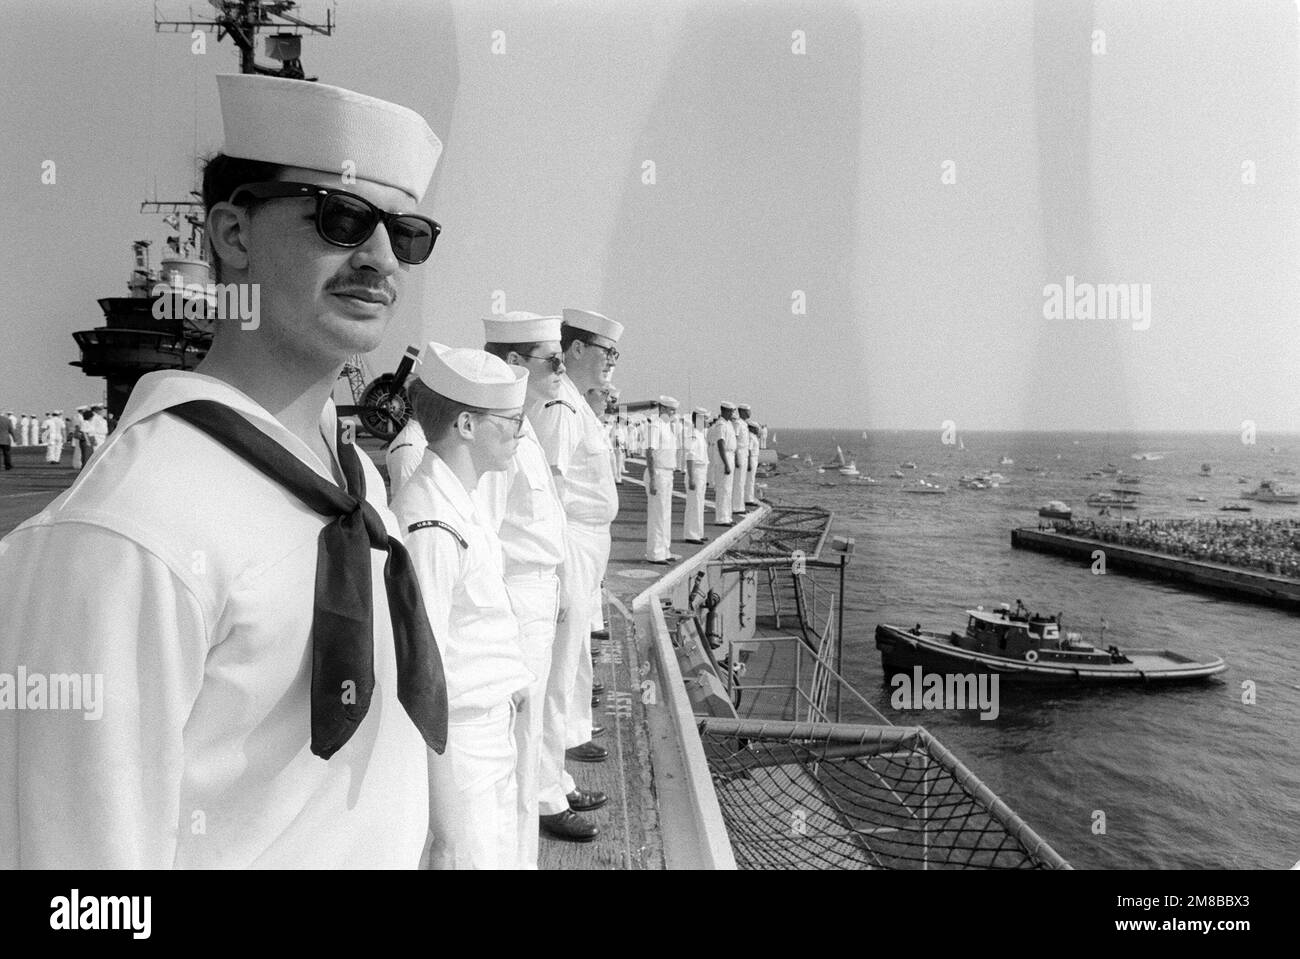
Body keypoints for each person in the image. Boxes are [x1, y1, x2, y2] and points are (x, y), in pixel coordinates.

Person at [0, 74, 448, 868]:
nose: (380, 259)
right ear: (234, 234)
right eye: (341, 219)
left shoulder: (357, 485)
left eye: (407, 234)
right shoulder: (126, 530)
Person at [392, 342, 533, 870]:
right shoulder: (431, 523)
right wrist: (445, 825)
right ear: (467, 425)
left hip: (488, 731)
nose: (521, 432)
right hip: (461, 748)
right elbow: (418, 677)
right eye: (512, 420)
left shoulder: (459, 505)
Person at [478, 311, 607, 856]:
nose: (560, 369)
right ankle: (540, 802)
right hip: (527, 581)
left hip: (549, 571)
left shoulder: (526, 419)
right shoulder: (512, 423)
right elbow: (493, 523)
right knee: (534, 703)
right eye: (551, 360)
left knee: (552, 686)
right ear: (514, 364)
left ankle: (547, 788)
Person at [529, 308, 623, 800]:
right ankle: (548, 789)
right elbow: (552, 492)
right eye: (607, 351)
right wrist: (563, 572)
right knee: (558, 666)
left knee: (573, 657)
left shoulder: (577, 403)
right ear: (578, 349)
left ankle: (566, 742)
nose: (612, 361)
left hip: (588, 542)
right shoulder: (562, 406)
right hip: (572, 543)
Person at [645, 395, 681, 563]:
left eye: (674, 410)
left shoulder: (668, 427)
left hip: (667, 473)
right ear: (663, 409)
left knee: (665, 515)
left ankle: (665, 550)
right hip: (658, 473)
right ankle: (655, 553)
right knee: (657, 515)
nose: (674, 413)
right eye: (671, 410)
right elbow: (650, 453)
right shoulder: (655, 426)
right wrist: (652, 478)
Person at [682, 406, 710, 544]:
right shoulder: (692, 434)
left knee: (699, 503)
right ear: (698, 419)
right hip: (695, 471)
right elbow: (690, 456)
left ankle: (698, 532)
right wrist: (691, 476)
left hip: (701, 470)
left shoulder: (700, 434)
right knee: (694, 504)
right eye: (705, 418)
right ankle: (692, 534)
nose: (707, 421)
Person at [707, 401, 738, 526]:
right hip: (723, 457)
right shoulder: (720, 425)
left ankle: (727, 516)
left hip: (730, 455)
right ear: (724, 411)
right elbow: (721, 443)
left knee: (728, 489)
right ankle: (721, 518)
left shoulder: (728, 424)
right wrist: (726, 463)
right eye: (730, 411)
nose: (732, 413)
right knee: (723, 489)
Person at [739, 404, 761, 507]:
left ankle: (749, 497)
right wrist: (749, 463)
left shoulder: (753, 436)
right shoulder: (752, 437)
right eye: (756, 428)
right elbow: (749, 450)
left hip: (753, 458)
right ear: (753, 429)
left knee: (750, 479)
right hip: (751, 459)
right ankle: (748, 498)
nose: (758, 430)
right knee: (749, 480)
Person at [731, 403, 750, 516]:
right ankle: (736, 506)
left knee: (741, 481)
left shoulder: (744, 424)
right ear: (742, 411)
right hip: (740, 453)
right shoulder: (737, 423)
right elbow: (736, 440)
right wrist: (737, 457)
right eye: (748, 411)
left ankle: (740, 505)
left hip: (744, 453)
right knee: (738, 481)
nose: (749, 413)